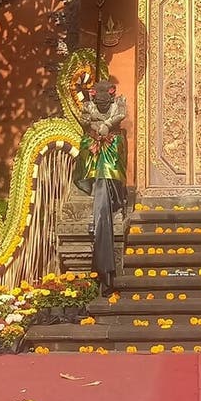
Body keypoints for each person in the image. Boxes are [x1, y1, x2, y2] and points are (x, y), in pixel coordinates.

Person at [72, 80, 127, 292]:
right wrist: (97, 128)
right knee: (99, 189)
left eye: (106, 94)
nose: (102, 99)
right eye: (98, 95)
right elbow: (84, 119)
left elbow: (120, 115)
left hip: (111, 147)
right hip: (94, 146)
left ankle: (114, 196)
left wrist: (108, 125)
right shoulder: (88, 106)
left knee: (107, 183)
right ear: (93, 95)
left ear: (112, 93)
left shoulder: (118, 105)